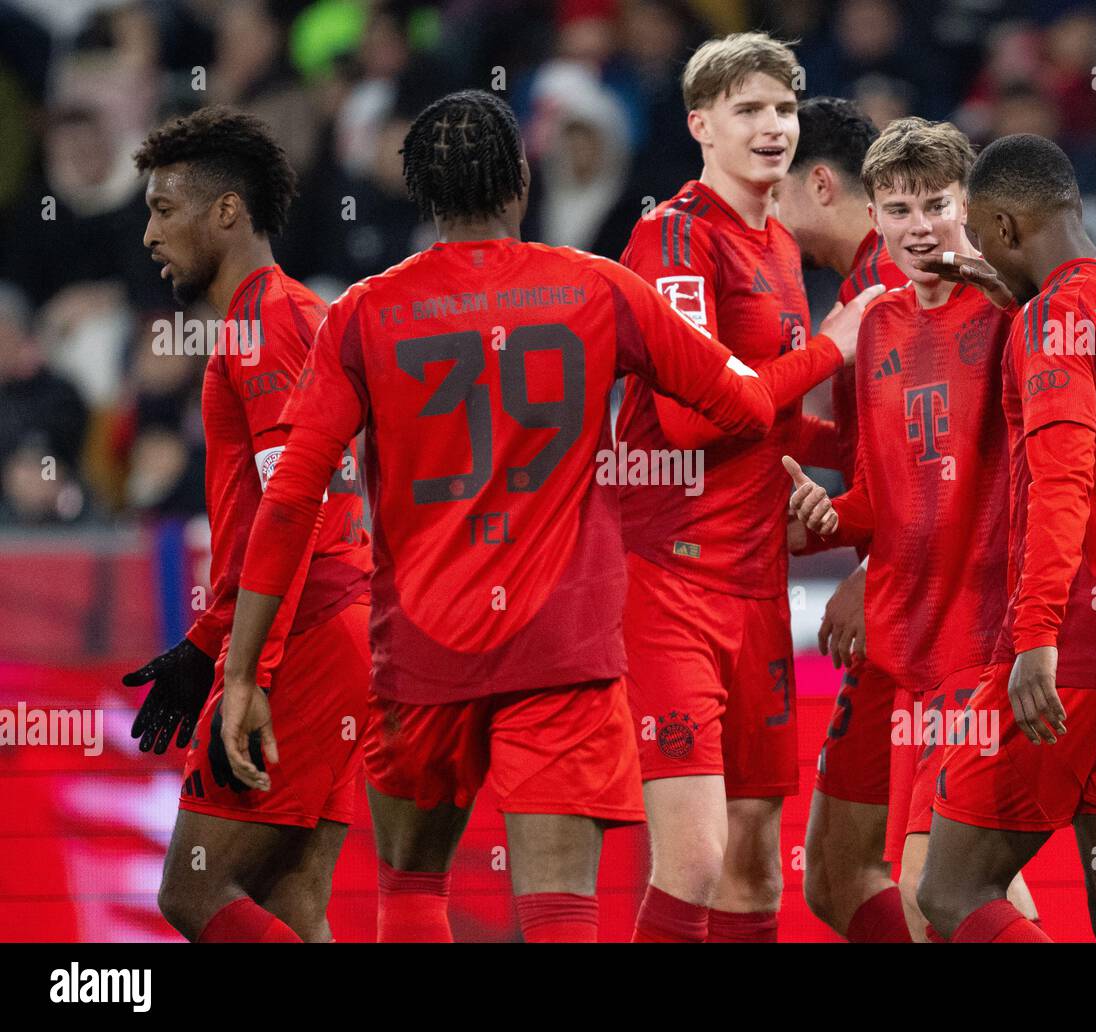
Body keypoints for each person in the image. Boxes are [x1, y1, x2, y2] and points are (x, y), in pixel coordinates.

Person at [218, 89, 870, 943]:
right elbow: (741, 407)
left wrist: (244, 671)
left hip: (419, 647)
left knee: (412, 886)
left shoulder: (362, 313)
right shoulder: (599, 289)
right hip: (560, 647)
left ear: (419, 191)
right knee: (559, 904)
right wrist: (833, 344)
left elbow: (293, 499)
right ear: (523, 180)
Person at [618, 33, 881, 944]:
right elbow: (694, 421)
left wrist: (856, 439)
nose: (773, 127)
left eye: (783, 109)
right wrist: (830, 350)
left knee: (756, 851)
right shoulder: (674, 237)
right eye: (748, 111)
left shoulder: (775, 243)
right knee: (690, 861)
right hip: (670, 583)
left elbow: (757, 413)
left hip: (756, 582)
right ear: (701, 126)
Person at [914, 133, 1096, 943]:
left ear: (1006, 226)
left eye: (979, 233)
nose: (975, 251)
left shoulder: (1054, 317)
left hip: (1073, 645)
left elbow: (1063, 482)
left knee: (951, 892)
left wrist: (1037, 637)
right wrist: (1014, 292)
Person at [783, 117, 1038, 940]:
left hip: (983, 641)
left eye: (936, 205)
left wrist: (1018, 288)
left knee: (944, 889)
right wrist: (825, 519)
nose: (919, 227)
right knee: (930, 894)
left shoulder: (1013, 313)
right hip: (909, 644)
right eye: (898, 210)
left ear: (969, 206)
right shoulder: (875, 323)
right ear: (877, 218)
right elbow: (881, 495)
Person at [127, 106, 372, 943]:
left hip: (302, 636)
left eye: (165, 210)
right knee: (291, 904)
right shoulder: (281, 316)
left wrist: (249, 671)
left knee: (192, 893)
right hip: (333, 630)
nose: (150, 235)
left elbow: (295, 509)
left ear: (226, 212)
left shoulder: (267, 325)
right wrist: (206, 645)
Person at [776, 95, 911, 941]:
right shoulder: (872, 282)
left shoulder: (891, 285)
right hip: (915, 590)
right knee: (844, 872)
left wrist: (871, 572)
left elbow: (949, 460)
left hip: (929, 604)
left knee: (941, 870)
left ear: (820, 182)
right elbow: (885, 453)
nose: (764, 204)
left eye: (776, 184)